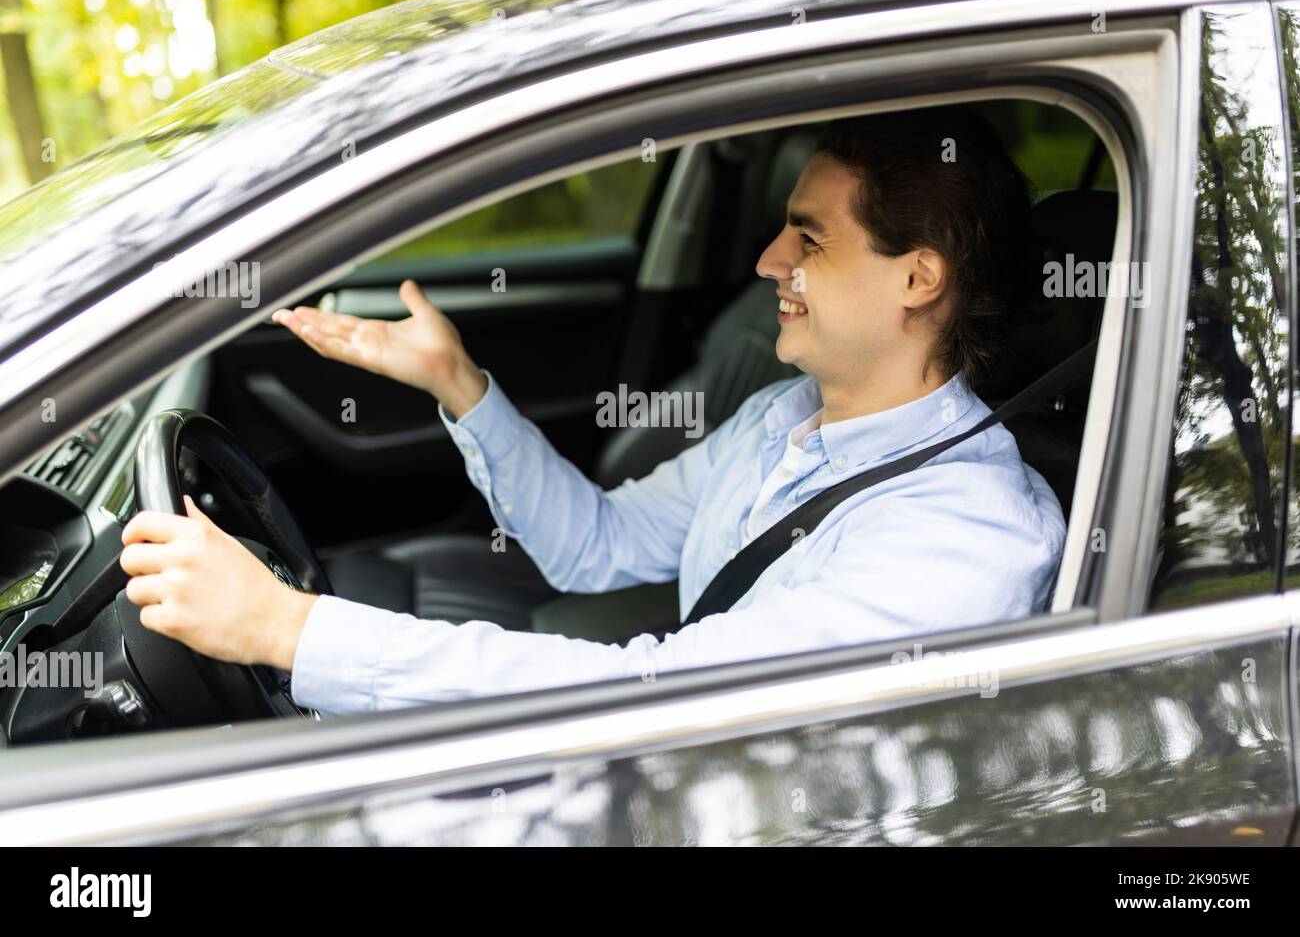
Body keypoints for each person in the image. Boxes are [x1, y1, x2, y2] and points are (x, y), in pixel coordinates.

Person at [119, 109, 1066, 713]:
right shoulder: (782, 417)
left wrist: (291, 629)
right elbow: (596, 543)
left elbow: (658, 699)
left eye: (807, 238)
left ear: (917, 276)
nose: (768, 261)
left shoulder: (965, 534)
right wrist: (460, 384)